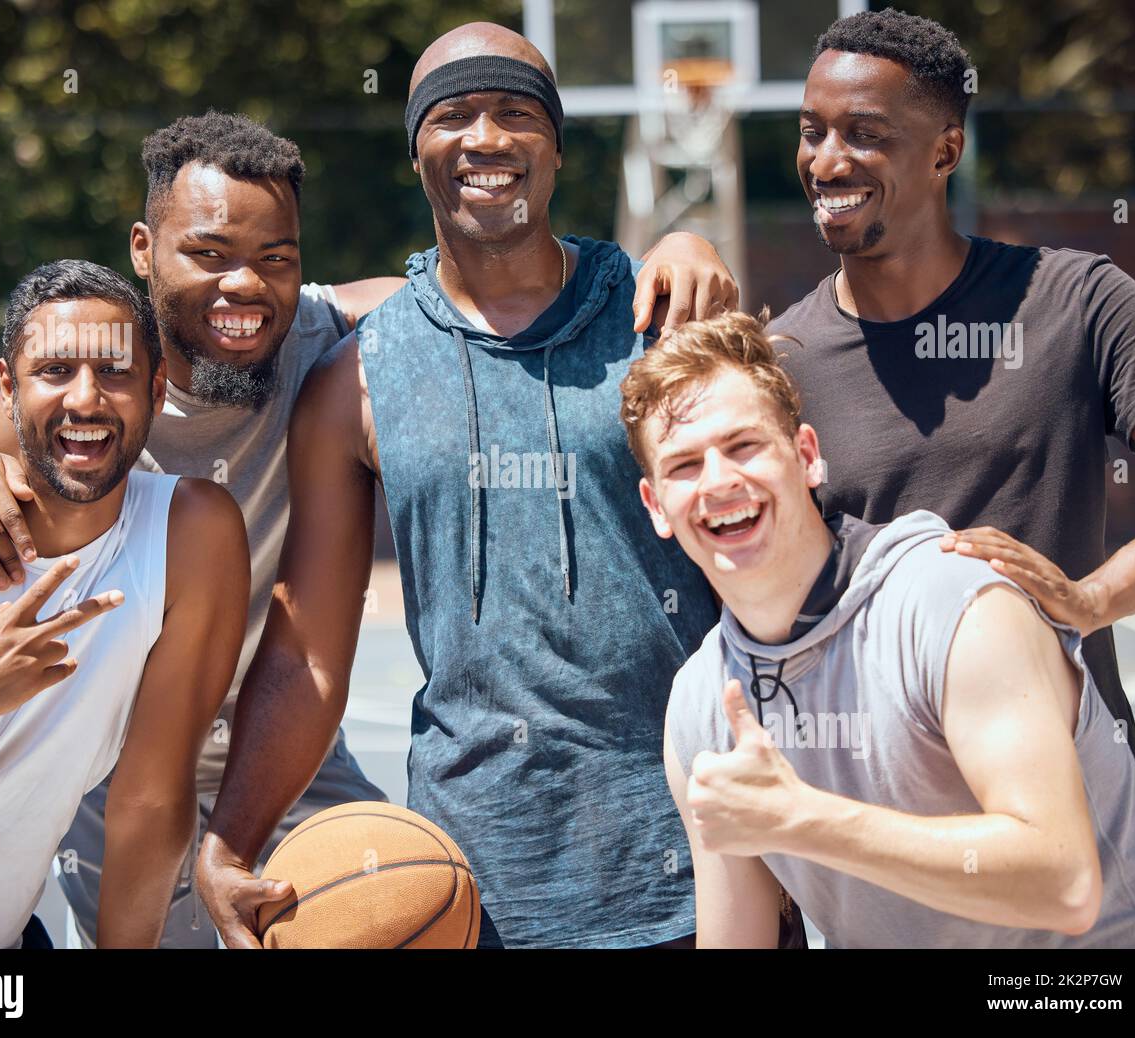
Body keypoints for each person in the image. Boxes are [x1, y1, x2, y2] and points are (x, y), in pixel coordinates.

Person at [0, 110, 736, 945]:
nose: (244, 286)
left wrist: (672, 255)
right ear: (142, 249)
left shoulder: (340, 337)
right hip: (115, 770)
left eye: (275, 259)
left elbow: (470, 298)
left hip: (286, 750)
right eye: (208, 254)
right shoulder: (80, 403)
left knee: (407, 909)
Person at [196, 22, 771, 950]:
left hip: (703, 867)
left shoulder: (660, 322)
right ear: (417, 149)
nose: (487, 139)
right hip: (476, 892)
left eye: (516, 113)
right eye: (455, 115)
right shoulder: (355, 382)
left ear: (555, 144)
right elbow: (309, 655)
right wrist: (231, 837)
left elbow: (778, 557)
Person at [620, 309, 1135, 948]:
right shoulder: (701, 705)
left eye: (743, 446)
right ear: (657, 506)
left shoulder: (952, 602)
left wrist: (803, 820)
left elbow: (1065, 883)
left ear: (806, 458)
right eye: (685, 465)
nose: (718, 480)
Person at [772, 8, 1135, 779]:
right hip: (888, 800)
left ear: (945, 150)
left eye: (864, 133)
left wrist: (1093, 599)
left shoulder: (1077, 301)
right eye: (811, 130)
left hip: (1080, 778)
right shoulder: (785, 361)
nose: (826, 161)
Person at [0, 260, 248, 947]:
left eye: (114, 372)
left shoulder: (192, 535)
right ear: (8, 388)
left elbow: (149, 799)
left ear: (156, 390)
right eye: (54, 372)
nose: (86, 399)